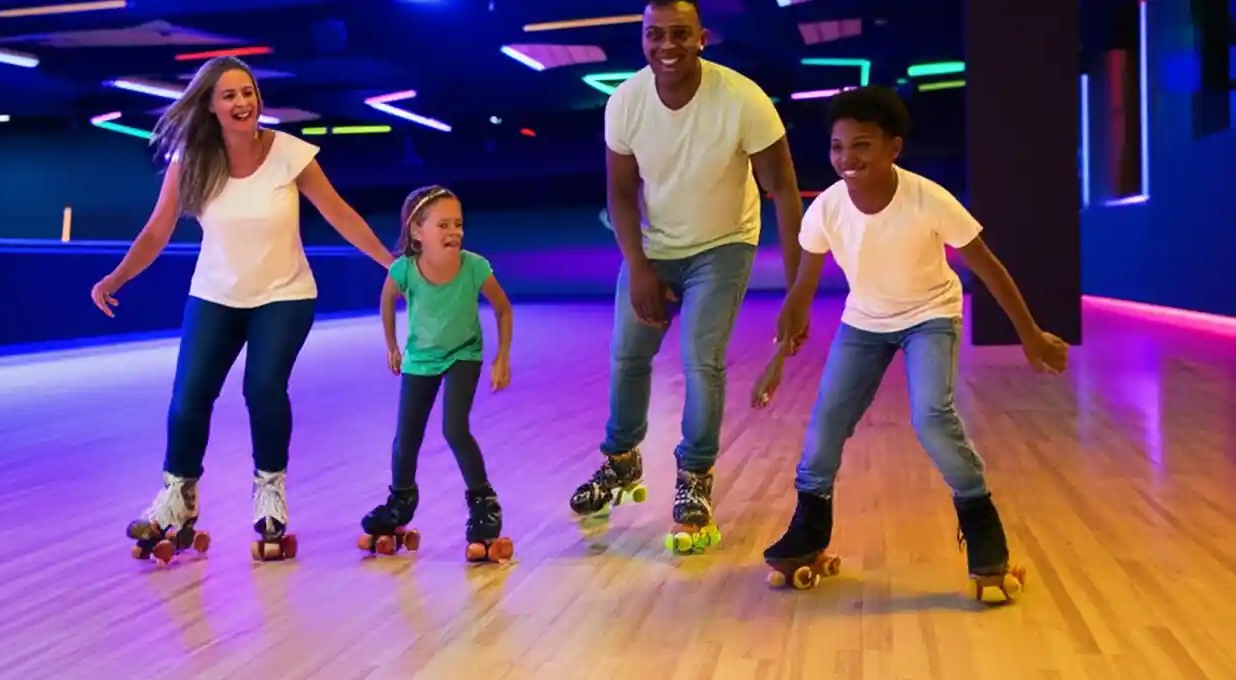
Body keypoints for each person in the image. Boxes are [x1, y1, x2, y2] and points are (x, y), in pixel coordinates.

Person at [753, 86, 1069, 601]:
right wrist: (776, 358)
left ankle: (985, 536)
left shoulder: (928, 199)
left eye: (862, 146)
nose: (847, 158)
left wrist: (1029, 334)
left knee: (931, 416)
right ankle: (809, 529)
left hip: (930, 315)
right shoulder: (827, 210)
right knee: (826, 422)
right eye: (837, 147)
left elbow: (987, 267)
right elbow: (802, 292)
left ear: (893, 148)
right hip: (865, 321)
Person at [90, 56, 395, 564]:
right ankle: (177, 496)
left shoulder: (290, 154)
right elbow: (157, 230)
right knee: (189, 398)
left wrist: (392, 265)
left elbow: (338, 211)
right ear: (210, 105)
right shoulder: (190, 161)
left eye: (248, 91)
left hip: (285, 294)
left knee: (263, 387)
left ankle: (269, 489)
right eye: (229, 94)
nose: (242, 102)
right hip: (215, 295)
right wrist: (116, 277)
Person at [567, 0, 804, 548]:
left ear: (703, 38)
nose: (666, 45)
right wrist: (639, 265)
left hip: (724, 244)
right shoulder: (626, 102)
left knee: (702, 356)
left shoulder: (743, 99)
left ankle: (694, 476)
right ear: (642, 38)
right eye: (654, 35)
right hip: (654, 246)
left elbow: (785, 193)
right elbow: (621, 192)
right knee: (628, 355)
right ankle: (621, 462)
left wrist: (796, 290)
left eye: (679, 34)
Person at [358, 185, 516, 564]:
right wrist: (392, 345)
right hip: (421, 359)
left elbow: (503, 309)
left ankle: (483, 503)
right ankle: (400, 500)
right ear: (417, 232)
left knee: (454, 428)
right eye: (443, 224)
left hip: (464, 354)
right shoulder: (404, 270)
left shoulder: (475, 266)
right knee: (406, 435)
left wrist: (502, 358)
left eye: (458, 224)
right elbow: (386, 299)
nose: (454, 232)